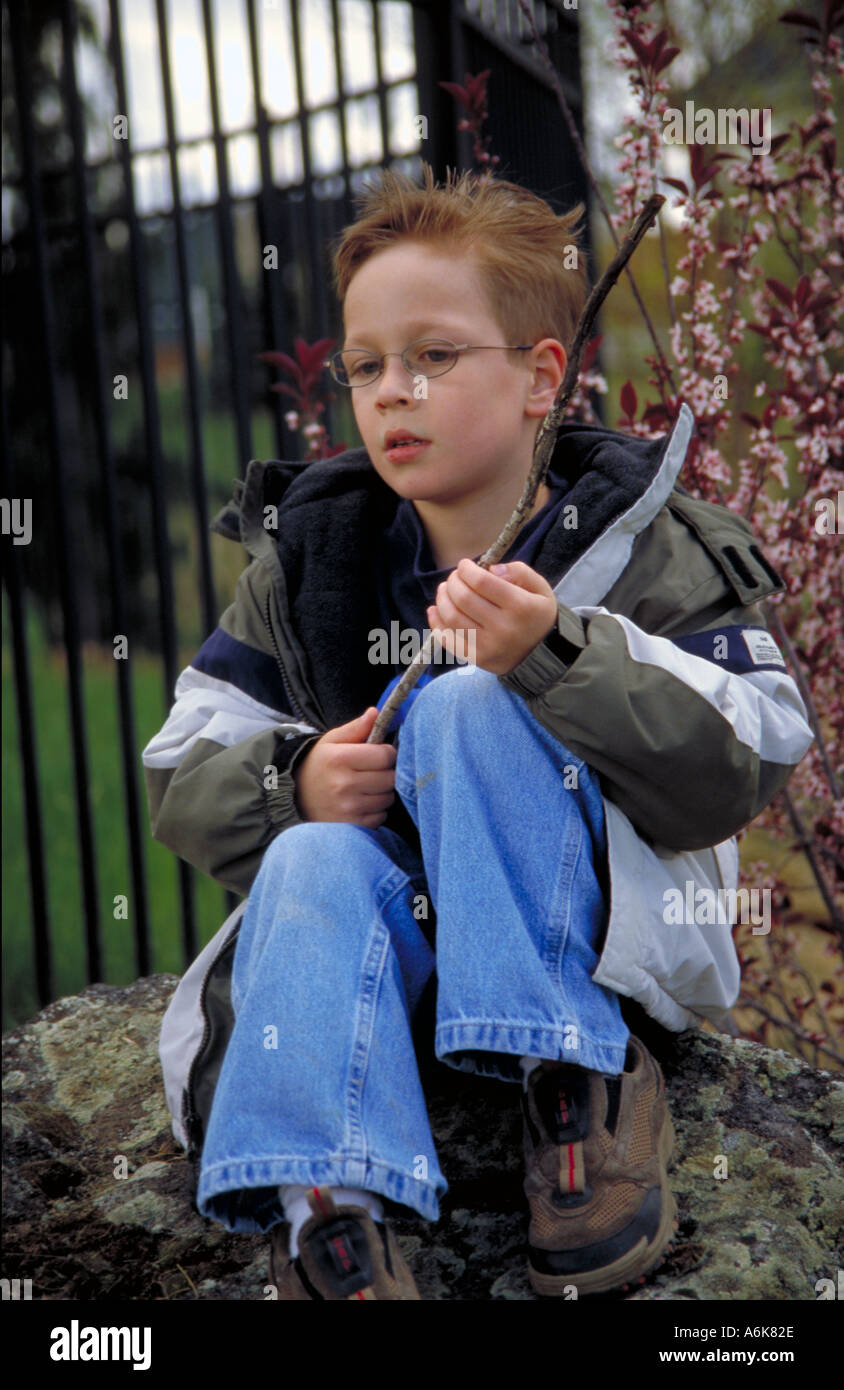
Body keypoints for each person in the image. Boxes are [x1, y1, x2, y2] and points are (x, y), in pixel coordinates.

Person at [142, 163, 813, 1300]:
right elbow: (181, 768)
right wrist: (295, 779)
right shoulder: (314, 562)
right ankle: (328, 1209)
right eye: (365, 366)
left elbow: (740, 765)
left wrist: (558, 654)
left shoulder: (643, 539)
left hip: (597, 930)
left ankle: (577, 1081)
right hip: (389, 950)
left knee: (463, 697)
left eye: (435, 357)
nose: (391, 391)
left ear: (541, 377)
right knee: (308, 852)